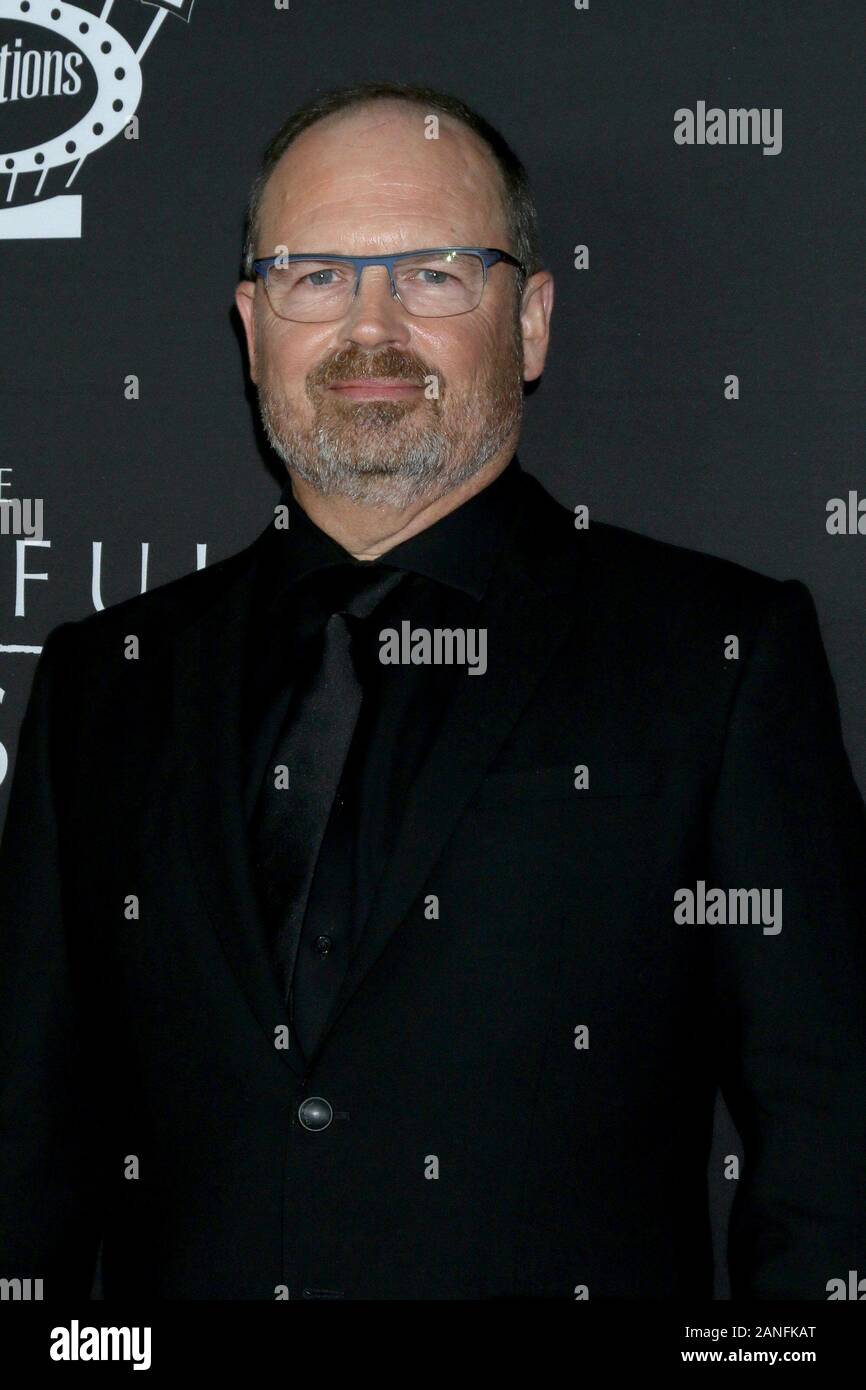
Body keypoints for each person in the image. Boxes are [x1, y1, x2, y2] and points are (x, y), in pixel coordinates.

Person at [1, 80, 864, 1301]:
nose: (370, 328)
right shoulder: (105, 681)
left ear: (530, 323)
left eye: (435, 274)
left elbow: (831, 1143)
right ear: (252, 328)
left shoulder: (713, 659)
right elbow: (25, 1157)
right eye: (315, 276)